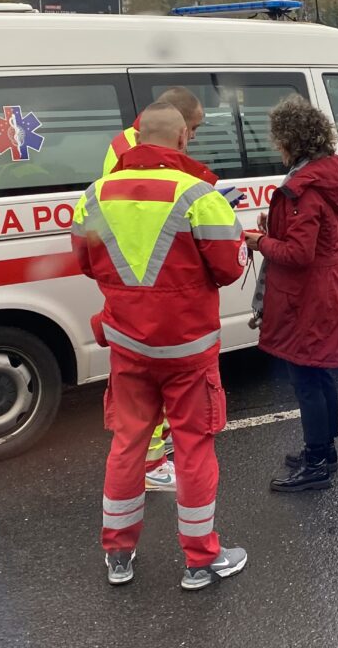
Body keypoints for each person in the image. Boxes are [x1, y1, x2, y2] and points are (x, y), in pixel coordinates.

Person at [73, 102, 249, 589]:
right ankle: (200, 560)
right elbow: (230, 267)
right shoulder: (199, 195)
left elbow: (86, 263)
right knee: (193, 448)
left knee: (127, 445)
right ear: (182, 139)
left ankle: (119, 555)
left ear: (136, 137)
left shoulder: (94, 195)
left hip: (128, 346)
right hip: (188, 351)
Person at [243, 96, 338, 493]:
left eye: (278, 141)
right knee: (319, 373)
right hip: (327, 287)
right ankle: (324, 451)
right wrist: (275, 226)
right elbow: (314, 235)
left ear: (291, 140)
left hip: (306, 294)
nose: (276, 148)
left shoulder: (302, 188)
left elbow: (298, 253)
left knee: (306, 376)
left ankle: (316, 465)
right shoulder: (331, 174)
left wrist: (260, 241)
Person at [104, 87, 207, 493]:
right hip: (147, 277)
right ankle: (152, 464)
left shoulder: (131, 142)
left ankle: (149, 460)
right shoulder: (134, 149)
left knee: (141, 379)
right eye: (193, 129)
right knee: (153, 377)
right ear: (177, 126)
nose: (194, 139)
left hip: (132, 279)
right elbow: (138, 212)